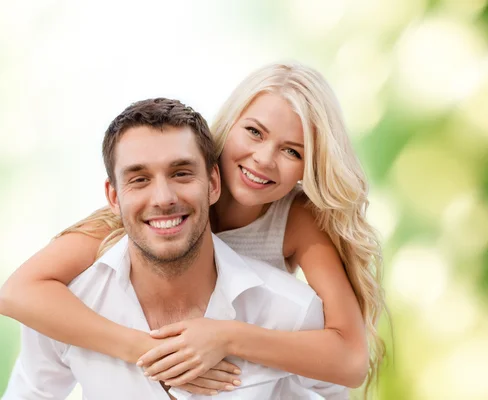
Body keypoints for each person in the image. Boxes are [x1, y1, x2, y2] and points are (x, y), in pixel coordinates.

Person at [0, 62, 386, 395]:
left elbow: (350, 360)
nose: (264, 159)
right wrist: (146, 350)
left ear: (310, 167)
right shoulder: (155, 210)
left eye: (293, 151)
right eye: (254, 132)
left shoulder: (296, 220)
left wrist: (226, 336)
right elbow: (17, 292)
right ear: (228, 126)